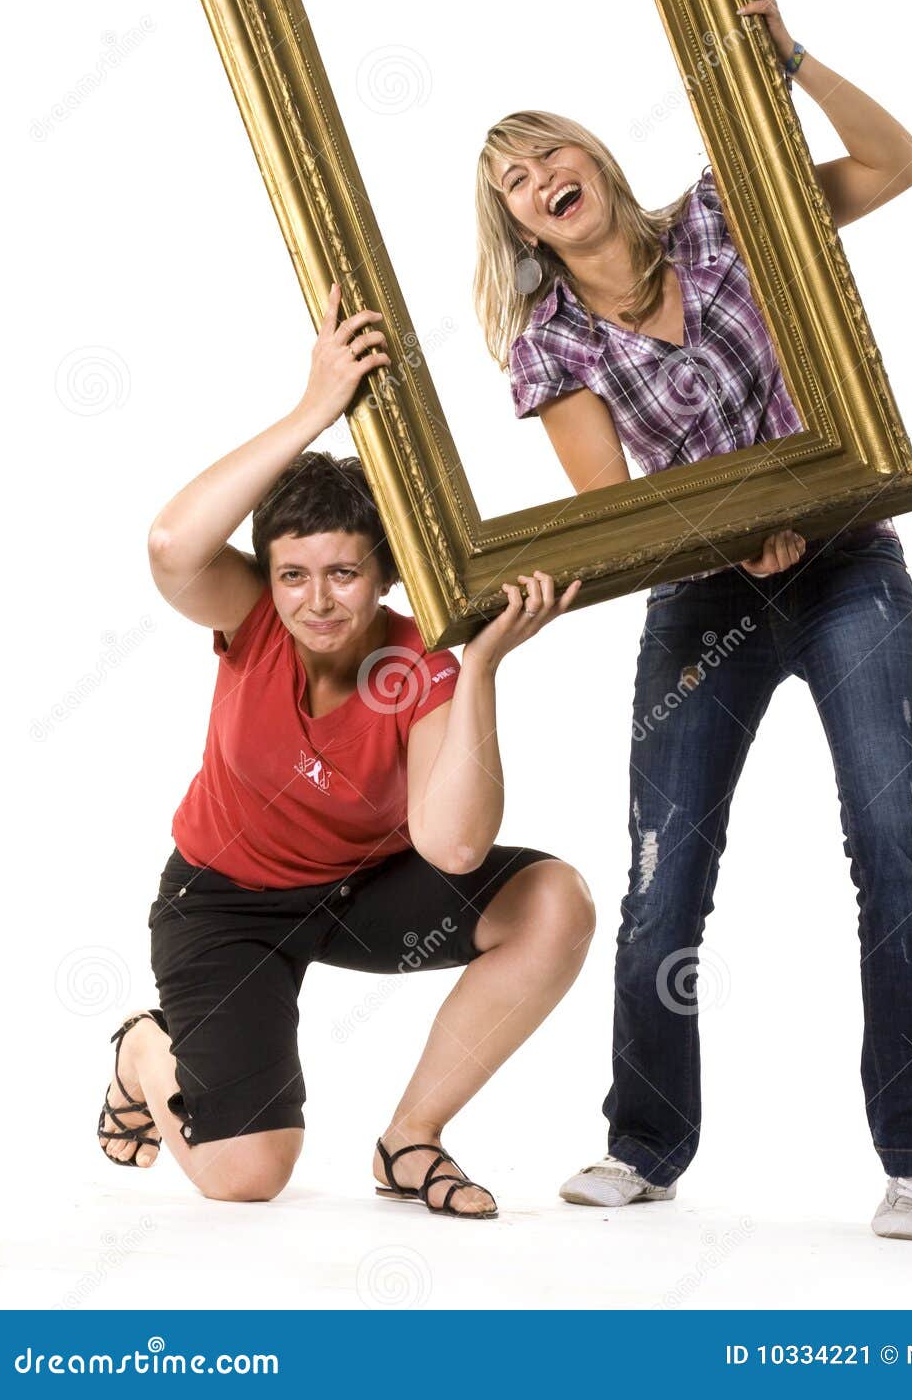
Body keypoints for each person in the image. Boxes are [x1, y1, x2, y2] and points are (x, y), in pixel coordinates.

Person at [472, 0, 912, 1240]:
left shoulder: (729, 213)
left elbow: (897, 163)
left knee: (890, 839)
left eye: (546, 152)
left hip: (851, 561)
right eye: (514, 182)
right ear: (521, 227)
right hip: (704, 605)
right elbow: (612, 508)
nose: (538, 180)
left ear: (593, 154)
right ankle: (644, 1145)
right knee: (664, 874)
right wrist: (727, 536)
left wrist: (788, 56)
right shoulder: (556, 346)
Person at [96, 281, 593, 1218]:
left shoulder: (419, 666)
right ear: (268, 578)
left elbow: (451, 849)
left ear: (384, 572)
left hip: (361, 894)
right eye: (293, 575)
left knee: (554, 900)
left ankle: (411, 1141)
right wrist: (316, 408)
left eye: (341, 574)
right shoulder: (251, 616)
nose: (316, 601)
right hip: (225, 905)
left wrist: (478, 666)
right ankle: (142, 1050)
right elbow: (171, 544)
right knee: (246, 1178)